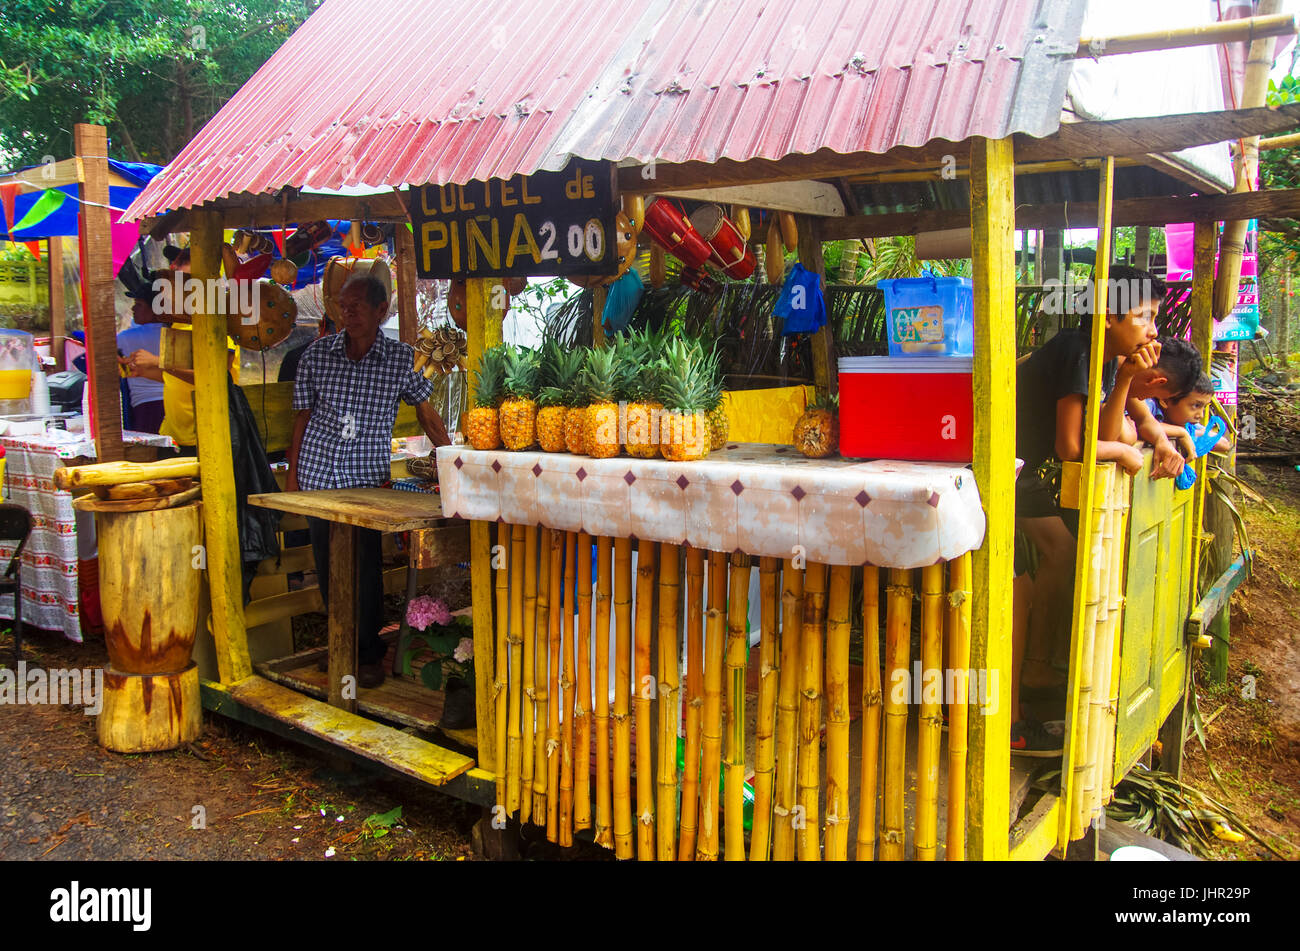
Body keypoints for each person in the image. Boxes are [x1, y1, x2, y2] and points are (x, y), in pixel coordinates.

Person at [1011, 267, 1198, 754]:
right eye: (1144, 317)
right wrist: (1122, 453)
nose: (1153, 330)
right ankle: (1027, 684)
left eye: (1154, 318)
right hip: (1007, 470)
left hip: (1027, 473)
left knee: (1062, 557)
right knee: (1042, 569)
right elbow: (1073, 446)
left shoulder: (1106, 358)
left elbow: (1130, 422)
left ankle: (1039, 669)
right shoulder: (1078, 350)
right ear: (1108, 316)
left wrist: (1159, 435)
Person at [287, 274, 450, 688]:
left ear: (381, 311)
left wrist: (453, 460)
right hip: (319, 474)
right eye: (344, 305)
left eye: (357, 305)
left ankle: (369, 653)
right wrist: (291, 479)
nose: (348, 312)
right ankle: (340, 644)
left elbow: (426, 413)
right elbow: (302, 419)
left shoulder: (401, 358)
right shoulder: (317, 355)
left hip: (365, 482)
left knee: (366, 566)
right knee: (329, 565)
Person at [1144, 373, 1232, 454]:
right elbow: (1141, 424)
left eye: (1204, 407)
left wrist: (1191, 433)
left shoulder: (1187, 424)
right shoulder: (1148, 404)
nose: (1201, 415)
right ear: (1165, 400)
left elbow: (1224, 444)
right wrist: (1181, 432)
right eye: (1196, 405)